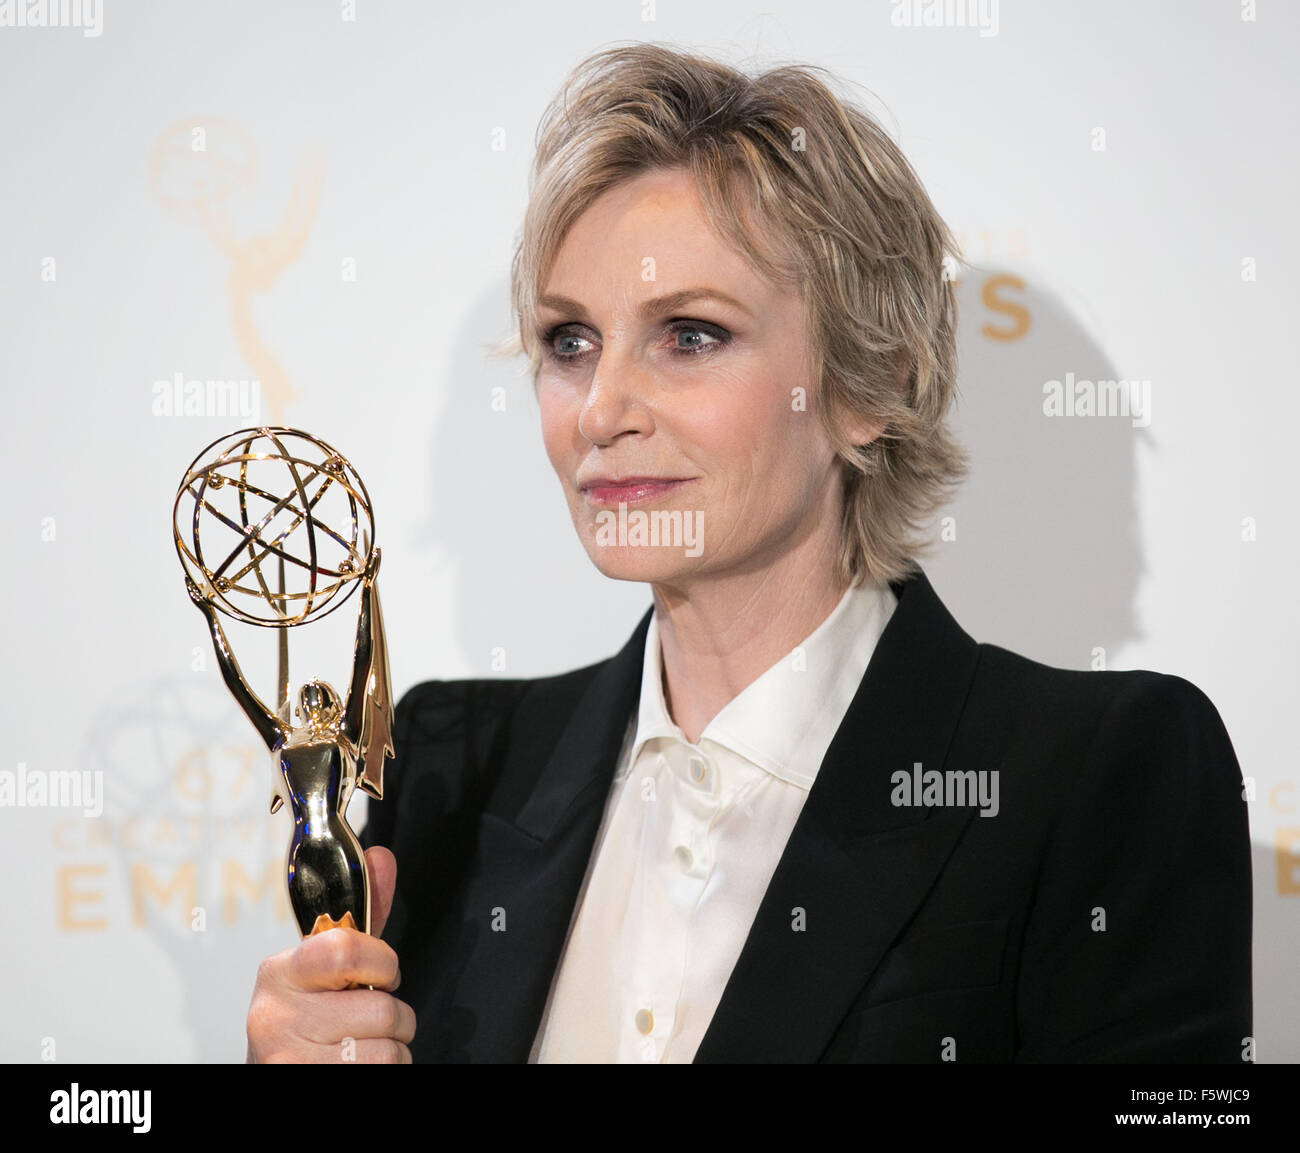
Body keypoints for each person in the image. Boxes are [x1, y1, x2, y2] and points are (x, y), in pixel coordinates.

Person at [243, 43, 1251, 1064]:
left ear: (868, 385)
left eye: (689, 335)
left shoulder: (1098, 774)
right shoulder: (456, 761)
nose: (600, 410)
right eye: (569, 342)